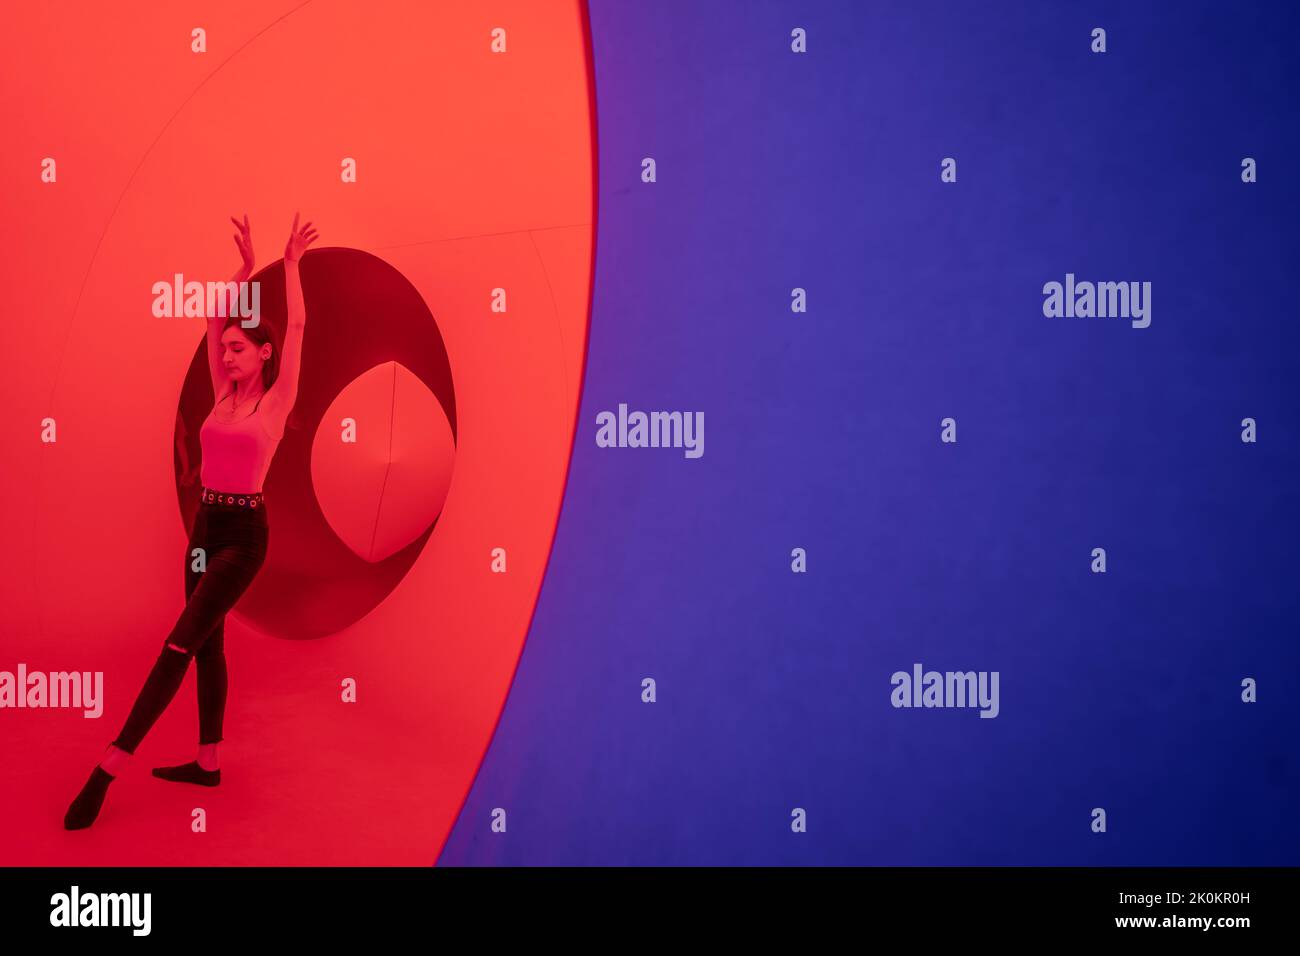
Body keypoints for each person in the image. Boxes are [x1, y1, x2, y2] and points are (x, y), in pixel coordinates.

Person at [64, 213, 319, 829]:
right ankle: (208, 762)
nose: (227, 354)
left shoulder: (274, 401)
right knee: (208, 645)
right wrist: (240, 268)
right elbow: (211, 319)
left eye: (239, 347)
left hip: (243, 538)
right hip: (204, 530)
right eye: (225, 348)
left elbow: (301, 324)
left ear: (264, 353)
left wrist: (287, 266)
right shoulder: (220, 392)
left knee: (178, 642)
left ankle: (108, 767)